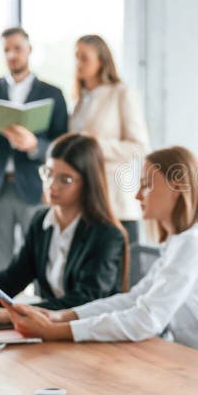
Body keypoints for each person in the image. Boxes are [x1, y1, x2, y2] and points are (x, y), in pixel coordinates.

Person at [0, 146, 198, 359]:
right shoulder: (180, 242)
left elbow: (147, 319)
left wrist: (56, 331)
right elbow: (135, 298)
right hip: (194, 356)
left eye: (147, 185)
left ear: (177, 186)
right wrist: (60, 317)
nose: (137, 195)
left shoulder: (195, 243)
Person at [0, 133, 128, 323]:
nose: (52, 185)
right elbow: (14, 276)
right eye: (48, 173)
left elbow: (85, 301)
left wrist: (10, 313)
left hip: (89, 335)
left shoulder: (107, 235)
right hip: (50, 330)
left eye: (65, 179)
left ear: (88, 184)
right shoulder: (42, 221)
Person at [0, 27, 69, 272]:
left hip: (35, 188)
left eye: (17, 49)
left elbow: (63, 148)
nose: (12, 55)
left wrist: (35, 145)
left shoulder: (53, 94)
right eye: (6, 50)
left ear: (29, 50)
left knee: (40, 263)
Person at [70, 34, 150, 245]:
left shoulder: (122, 94)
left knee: (124, 272)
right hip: (85, 200)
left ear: (102, 61)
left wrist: (95, 146)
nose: (78, 63)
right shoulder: (79, 100)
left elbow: (139, 148)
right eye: (76, 57)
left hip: (117, 201)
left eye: (84, 57)